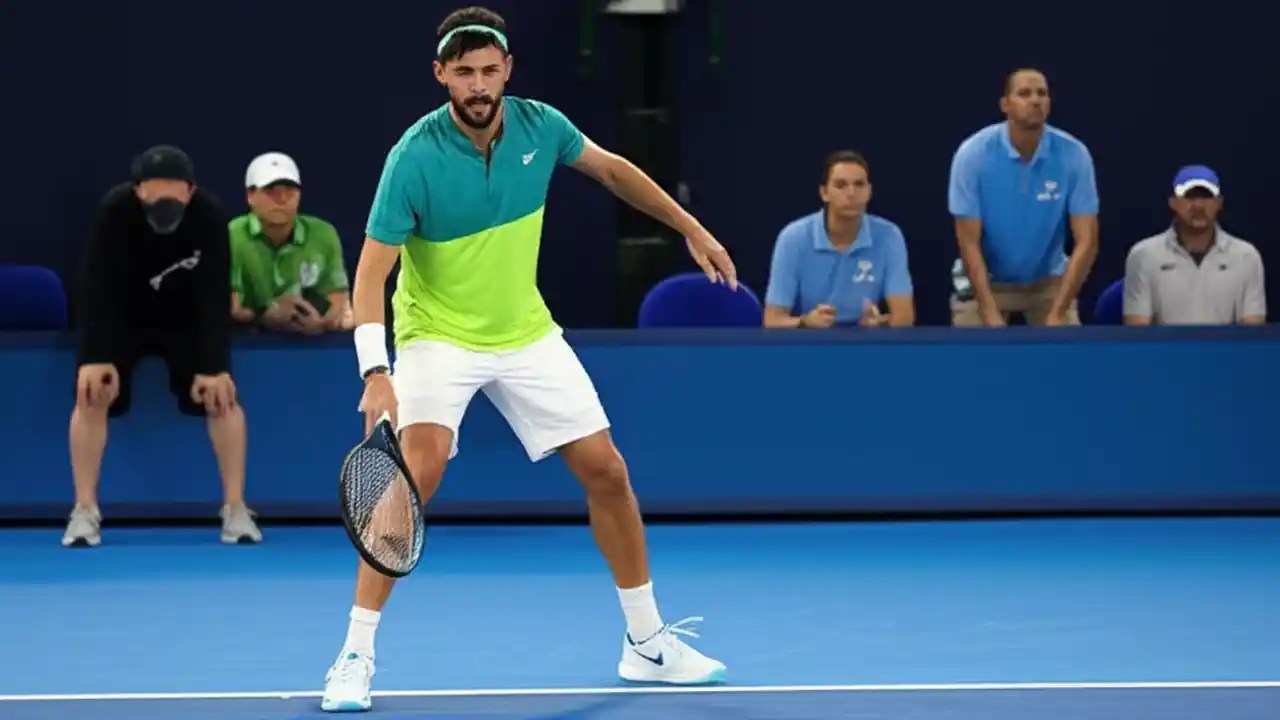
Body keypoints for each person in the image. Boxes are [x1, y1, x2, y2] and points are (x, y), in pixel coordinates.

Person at [318, 7, 735, 712]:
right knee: (416, 472)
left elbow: (613, 171)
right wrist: (376, 370)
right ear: (441, 75)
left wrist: (689, 226)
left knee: (607, 471)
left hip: (524, 331)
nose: (478, 85)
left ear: (507, 70)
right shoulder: (412, 157)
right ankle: (355, 653)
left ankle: (646, 644)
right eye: (464, 73)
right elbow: (369, 277)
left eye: (489, 71)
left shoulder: (543, 127)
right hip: (436, 335)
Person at [64, 145, 261, 548]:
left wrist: (215, 365)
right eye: (154, 197)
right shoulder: (114, 212)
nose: (164, 205)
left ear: (189, 191)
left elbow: (213, 294)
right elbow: (94, 285)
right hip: (123, 320)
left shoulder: (208, 215)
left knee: (224, 398)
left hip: (184, 321)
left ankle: (236, 508)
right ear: (138, 191)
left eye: (173, 197)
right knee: (90, 395)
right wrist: (94, 357)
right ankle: (84, 511)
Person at [948, 68, 1100, 326]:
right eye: (1024, 93)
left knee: (1067, 355)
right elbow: (968, 242)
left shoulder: (1074, 154)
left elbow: (1087, 240)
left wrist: (1059, 311)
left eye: (1042, 93)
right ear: (1005, 105)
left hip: (1049, 283)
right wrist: (988, 310)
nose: (1035, 100)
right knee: (972, 358)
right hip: (987, 282)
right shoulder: (972, 154)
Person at [763, 150, 915, 329]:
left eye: (859, 184)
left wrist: (881, 324)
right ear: (824, 192)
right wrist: (805, 322)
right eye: (841, 185)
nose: (851, 193)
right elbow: (772, 321)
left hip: (867, 346)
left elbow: (904, 317)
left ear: (869, 191)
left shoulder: (889, 236)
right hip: (810, 345)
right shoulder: (793, 239)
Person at [1123, 165, 1266, 325]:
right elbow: (1138, 334)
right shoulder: (1144, 255)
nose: (1198, 205)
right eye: (1189, 197)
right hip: (1165, 350)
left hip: (1226, 350)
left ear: (1219, 203)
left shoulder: (1246, 256)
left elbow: (1252, 335)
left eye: (1206, 196)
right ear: (1173, 203)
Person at [229, 151, 353, 334]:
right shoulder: (232, 234)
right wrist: (266, 314)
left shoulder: (323, 233)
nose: (282, 199)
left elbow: (339, 304)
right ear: (250, 196)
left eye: (290, 190)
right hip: (250, 343)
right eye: (271, 190)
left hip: (314, 344)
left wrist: (321, 323)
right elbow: (231, 307)